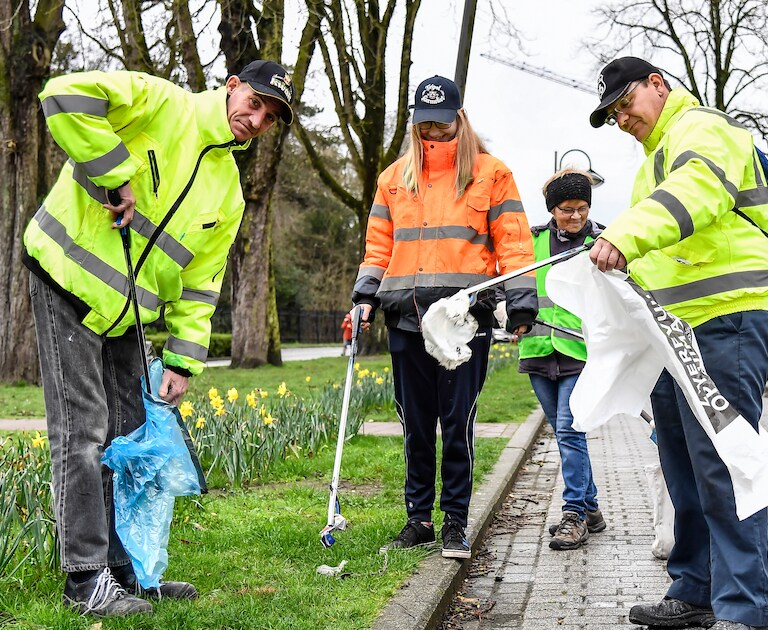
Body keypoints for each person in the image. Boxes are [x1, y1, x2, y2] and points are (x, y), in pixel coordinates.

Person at [23, 60, 294, 617]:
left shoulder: (229, 194)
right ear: (233, 86)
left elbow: (201, 286)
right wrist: (113, 168)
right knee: (84, 433)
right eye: (256, 101)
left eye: (270, 116)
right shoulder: (160, 102)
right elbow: (63, 95)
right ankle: (85, 580)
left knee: (129, 439)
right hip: (66, 279)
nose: (257, 117)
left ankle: (127, 572)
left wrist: (183, 362)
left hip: (126, 317)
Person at [587, 57, 768, 630]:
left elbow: (698, 194)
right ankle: (694, 591)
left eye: (627, 103)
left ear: (658, 85)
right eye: (613, 114)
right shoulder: (653, 163)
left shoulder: (701, 128)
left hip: (726, 320)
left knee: (725, 464)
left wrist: (623, 236)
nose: (623, 118)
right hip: (678, 334)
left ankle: (743, 612)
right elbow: (661, 250)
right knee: (682, 464)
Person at [350, 75, 536, 560]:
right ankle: (418, 520)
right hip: (407, 318)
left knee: (457, 423)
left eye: (442, 123)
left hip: (463, 322)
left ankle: (455, 522)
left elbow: (514, 242)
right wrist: (365, 297)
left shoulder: (492, 174)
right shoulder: (393, 178)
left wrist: (520, 302)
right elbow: (378, 246)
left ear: (460, 119)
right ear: (414, 124)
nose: (433, 133)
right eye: (424, 124)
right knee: (415, 423)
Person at [517, 169, 607, 551]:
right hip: (538, 350)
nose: (576, 217)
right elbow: (514, 283)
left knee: (570, 431)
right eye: (568, 209)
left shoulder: (602, 242)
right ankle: (592, 509)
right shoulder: (532, 242)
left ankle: (573, 515)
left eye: (582, 209)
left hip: (580, 353)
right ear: (553, 209)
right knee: (563, 432)